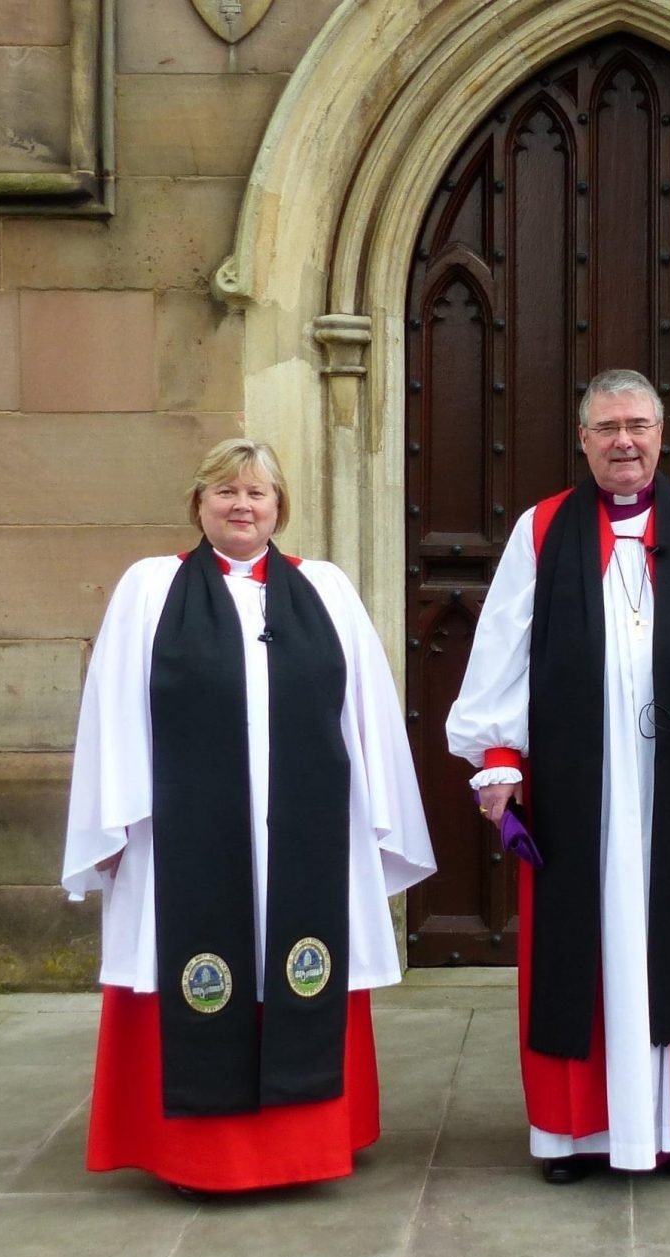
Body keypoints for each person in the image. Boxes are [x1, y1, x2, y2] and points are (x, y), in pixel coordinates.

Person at [446, 369, 670, 1183]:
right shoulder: (542, 531)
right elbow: (502, 651)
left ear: (660, 432)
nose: (625, 441)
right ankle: (577, 1132)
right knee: (586, 938)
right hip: (584, 784)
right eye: (608, 427)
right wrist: (497, 758)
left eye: (638, 425)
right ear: (582, 439)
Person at [62, 438, 436, 1195]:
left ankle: (305, 1141)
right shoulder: (150, 589)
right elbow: (112, 707)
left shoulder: (324, 590)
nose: (242, 505)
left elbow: (366, 712)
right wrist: (111, 819)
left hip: (305, 833)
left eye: (258, 493)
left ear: (279, 507)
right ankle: (195, 1151)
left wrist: (380, 814)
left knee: (296, 959)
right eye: (226, 492)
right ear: (198, 504)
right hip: (183, 838)